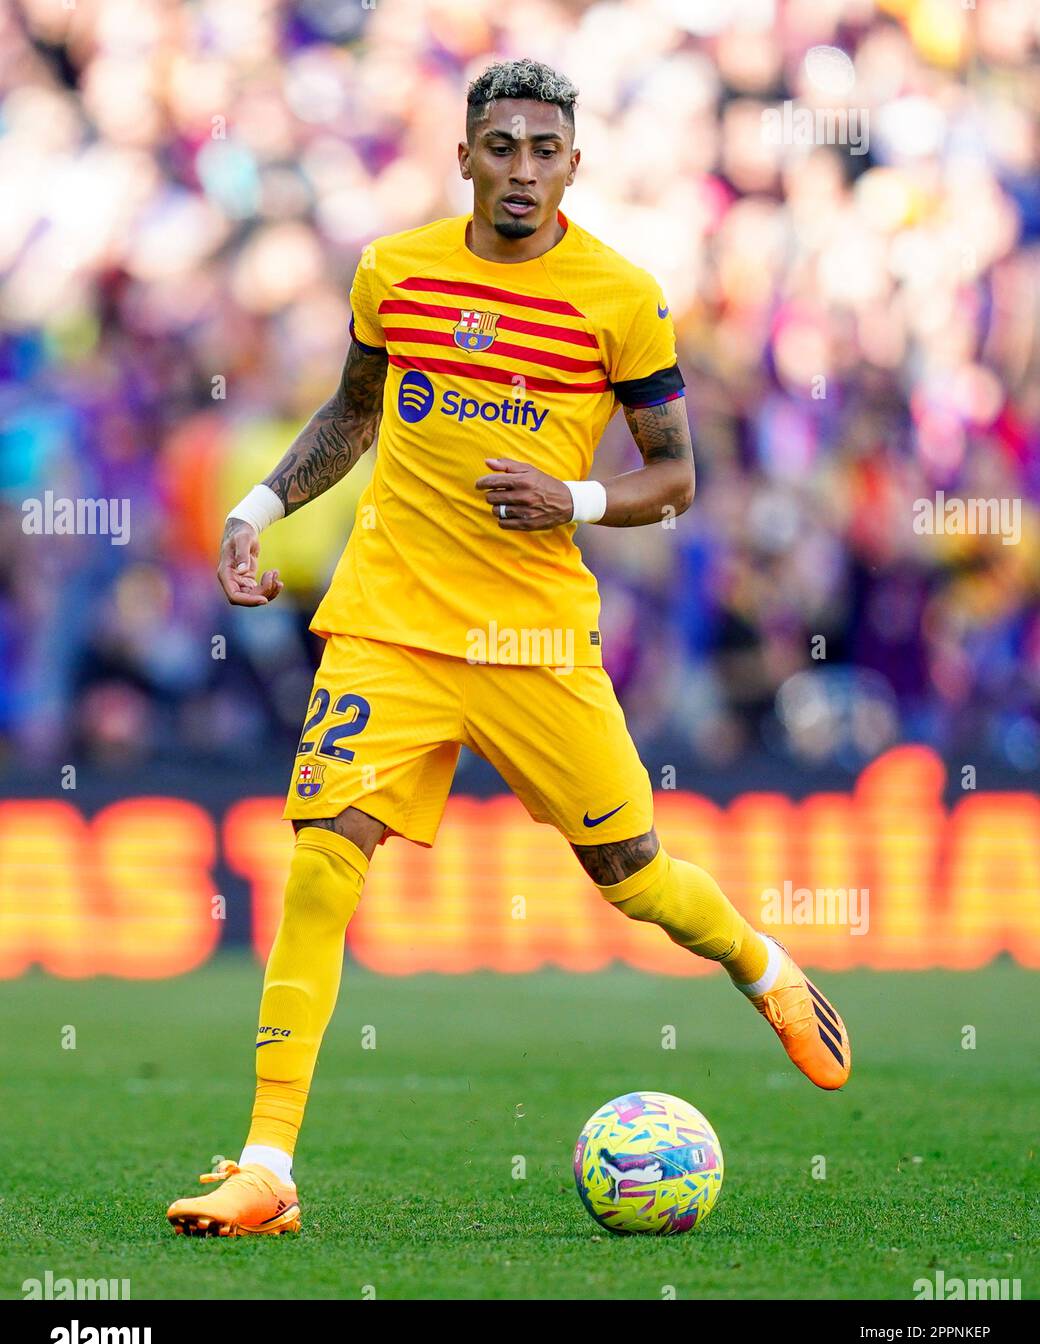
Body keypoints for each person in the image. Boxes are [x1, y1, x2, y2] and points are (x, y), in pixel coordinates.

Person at [167, 58, 850, 1238]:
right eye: (501, 146)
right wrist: (257, 512)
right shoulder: (397, 270)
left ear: (572, 165)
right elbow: (350, 414)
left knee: (632, 879)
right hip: (391, 623)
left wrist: (575, 501)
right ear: (465, 157)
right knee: (325, 855)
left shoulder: (620, 298)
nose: (522, 169)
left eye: (544, 149)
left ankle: (761, 966)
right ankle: (266, 1166)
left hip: (534, 635)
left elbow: (677, 474)